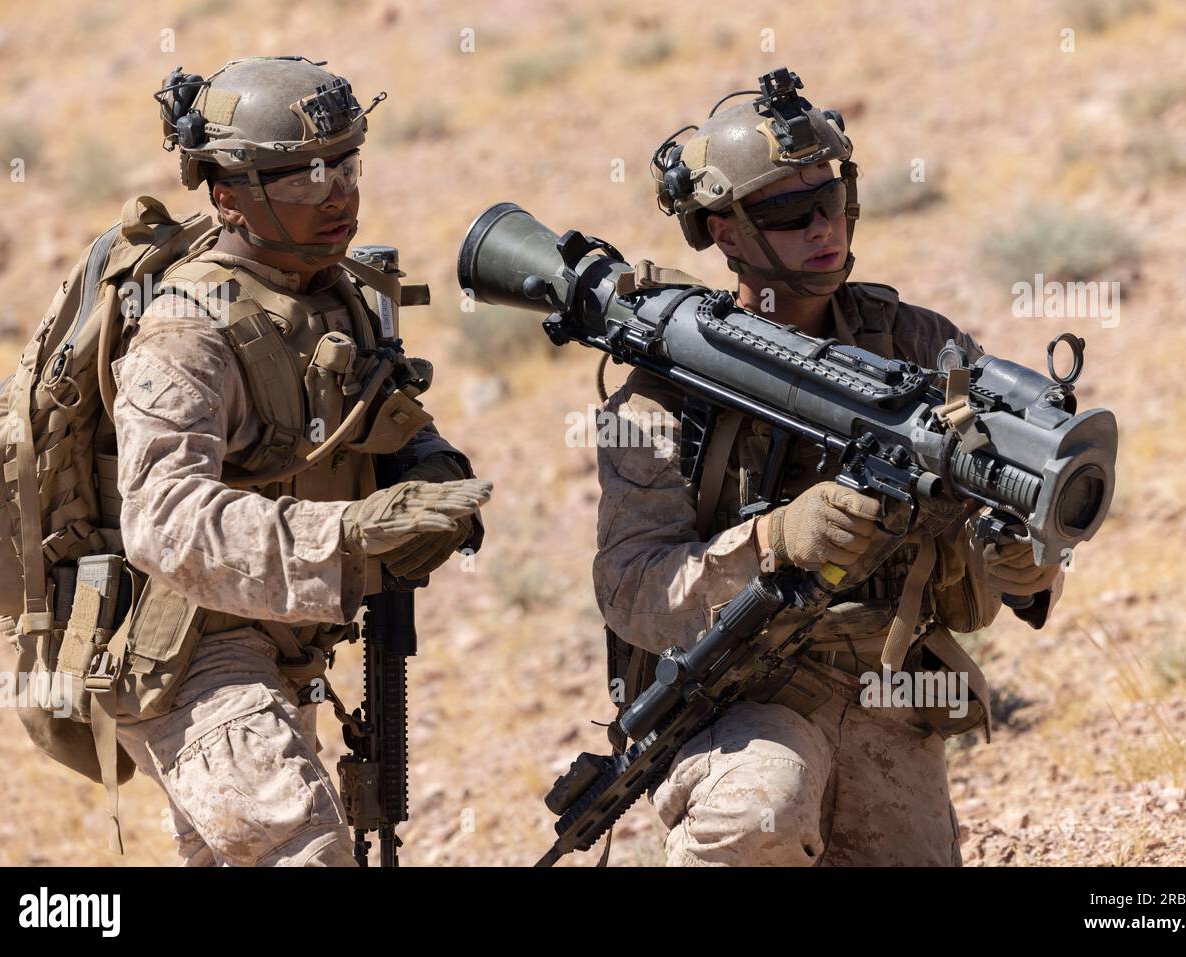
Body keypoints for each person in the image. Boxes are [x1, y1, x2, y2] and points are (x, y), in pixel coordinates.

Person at [593, 69, 1062, 866]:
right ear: (725, 231)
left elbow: (1010, 548)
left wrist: (1024, 563)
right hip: (735, 696)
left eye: (834, 196)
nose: (825, 225)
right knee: (758, 820)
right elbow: (631, 587)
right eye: (787, 210)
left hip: (886, 692)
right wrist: (779, 538)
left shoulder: (919, 347)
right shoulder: (670, 390)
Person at [107, 55, 490, 866]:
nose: (340, 194)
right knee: (303, 846)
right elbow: (160, 518)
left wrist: (435, 473)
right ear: (228, 193)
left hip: (282, 638)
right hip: (185, 653)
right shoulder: (186, 331)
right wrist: (348, 535)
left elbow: (385, 419)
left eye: (347, 164)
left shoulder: (338, 288)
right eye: (307, 178)